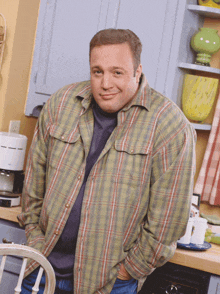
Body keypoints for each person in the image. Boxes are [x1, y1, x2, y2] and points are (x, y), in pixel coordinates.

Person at [18, 28, 196, 294]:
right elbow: (33, 185)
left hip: (110, 282)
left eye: (117, 72)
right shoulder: (60, 104)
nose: (105, 83)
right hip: (42, 269)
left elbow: (168, 221)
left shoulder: (169, 126)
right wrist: (34, 237)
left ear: (137, 71)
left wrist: (129, 271)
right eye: (97, 71)